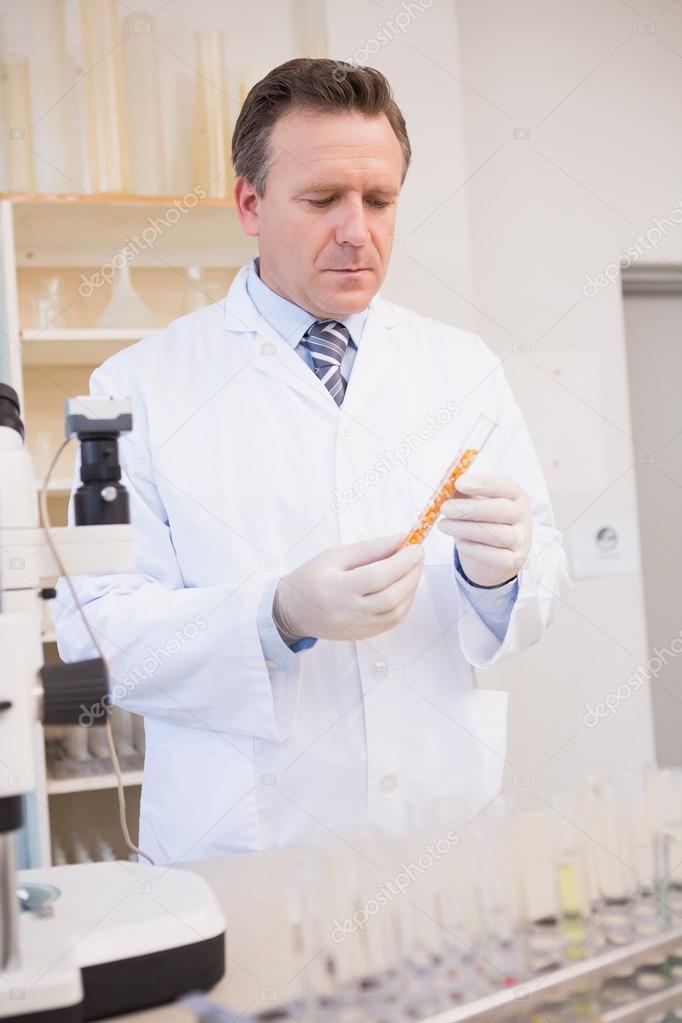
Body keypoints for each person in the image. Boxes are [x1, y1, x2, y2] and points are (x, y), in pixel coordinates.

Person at [54, 58, 571, 865]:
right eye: (322, 199)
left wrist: (500, 577)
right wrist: (277, 615)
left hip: (441, 832)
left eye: (380, 199)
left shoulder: (461, 367)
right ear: (250, 204)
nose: (357, 230)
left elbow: (537, 590)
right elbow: (97, 636)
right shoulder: (140, 386)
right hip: (247, 851)